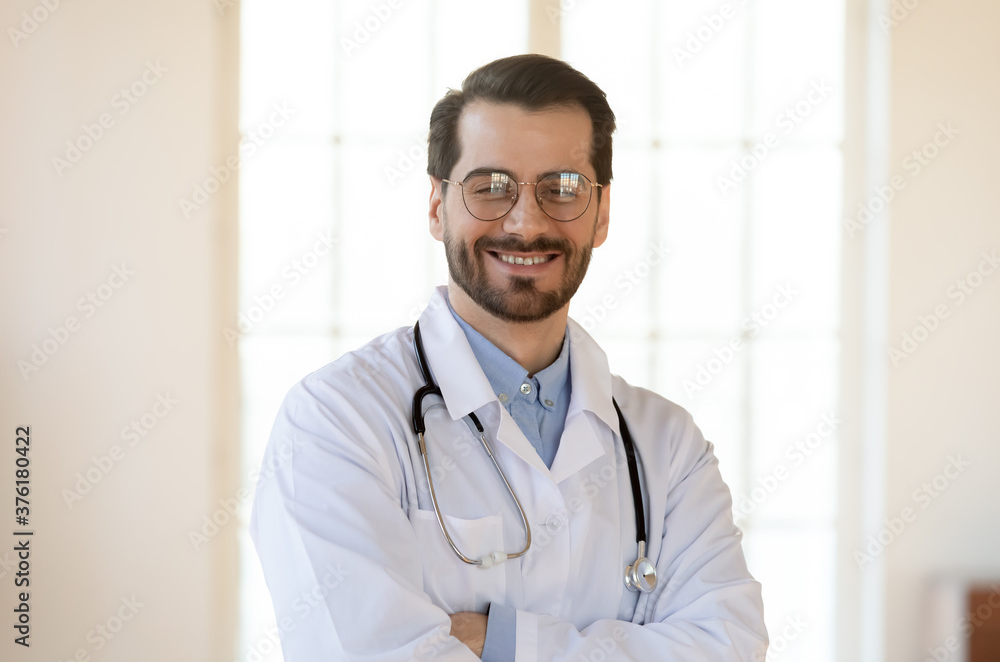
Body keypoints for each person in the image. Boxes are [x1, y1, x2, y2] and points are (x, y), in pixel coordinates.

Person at [251, 54, 768, 661]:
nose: (525, 223)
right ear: (437, 206)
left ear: (601, 213)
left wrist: (502, 641)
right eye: (490, 187)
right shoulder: (337, 421)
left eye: (562, 188)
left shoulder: (666, 446)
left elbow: (728, 647)